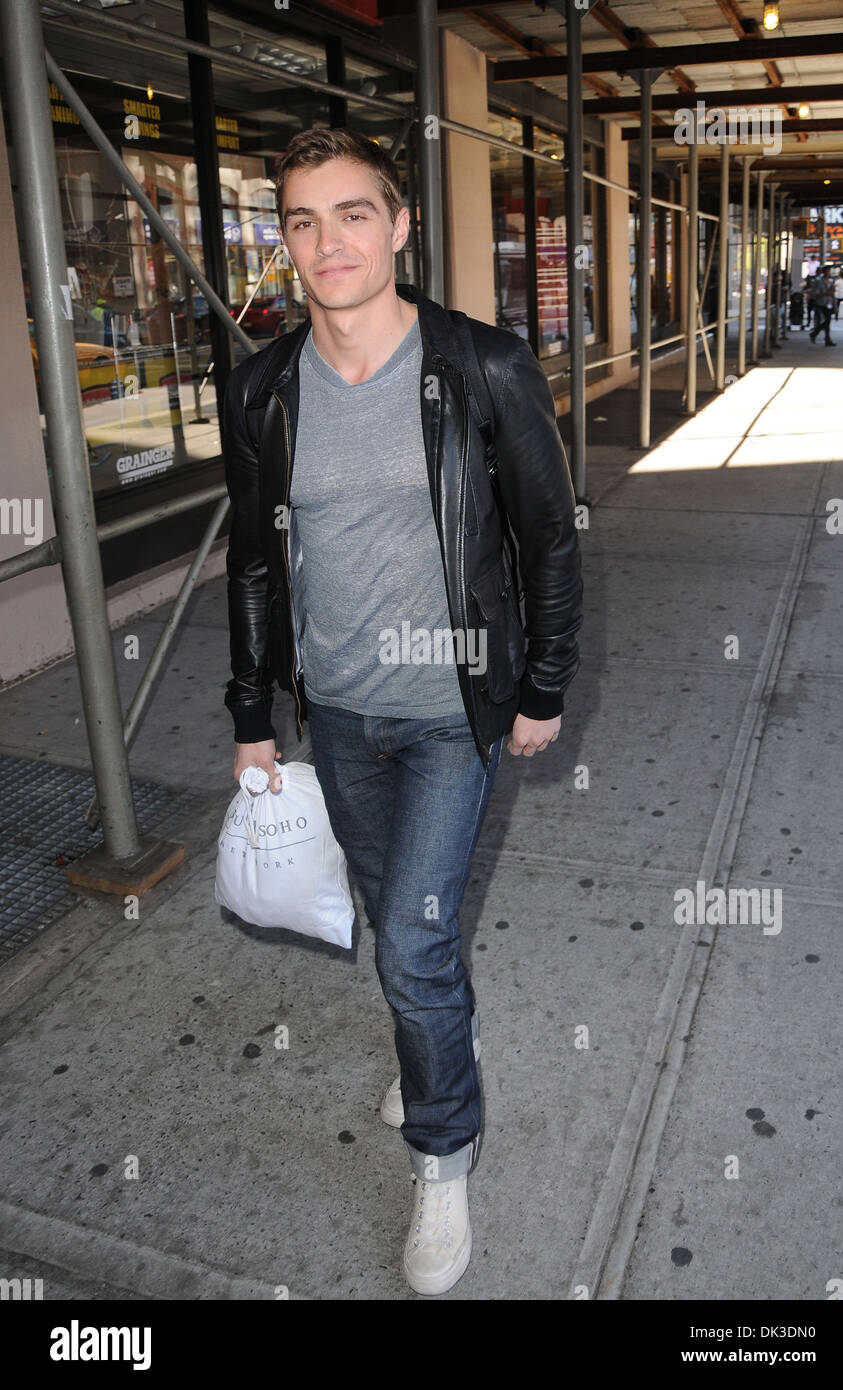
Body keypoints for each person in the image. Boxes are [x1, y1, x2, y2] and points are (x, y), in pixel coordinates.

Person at [221, 128, 583, 1296]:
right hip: (338, 714)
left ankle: (441, 1154)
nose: (328, 243)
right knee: (395, 919)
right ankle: (446, 1035)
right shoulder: (263, 382)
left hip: (448, 710)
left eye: (352, 214)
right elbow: (254, 565)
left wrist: (543, 683)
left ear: (399, 226)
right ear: (284, 241)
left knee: (417, 943)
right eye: (302, 221)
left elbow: (545, 536)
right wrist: (251, 709)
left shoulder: (482, 365)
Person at [810, 265, 837, 346]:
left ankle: (822, 337)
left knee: (827, 321)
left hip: (829, 302)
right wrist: (826, 293)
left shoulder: (831, 280)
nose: (828, 273)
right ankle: (818, 334)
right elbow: (815, 293)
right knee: (826, 321)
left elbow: (832, 292)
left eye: (829, 271)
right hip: (821, 303)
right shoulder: (818, 281)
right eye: (827, 271)